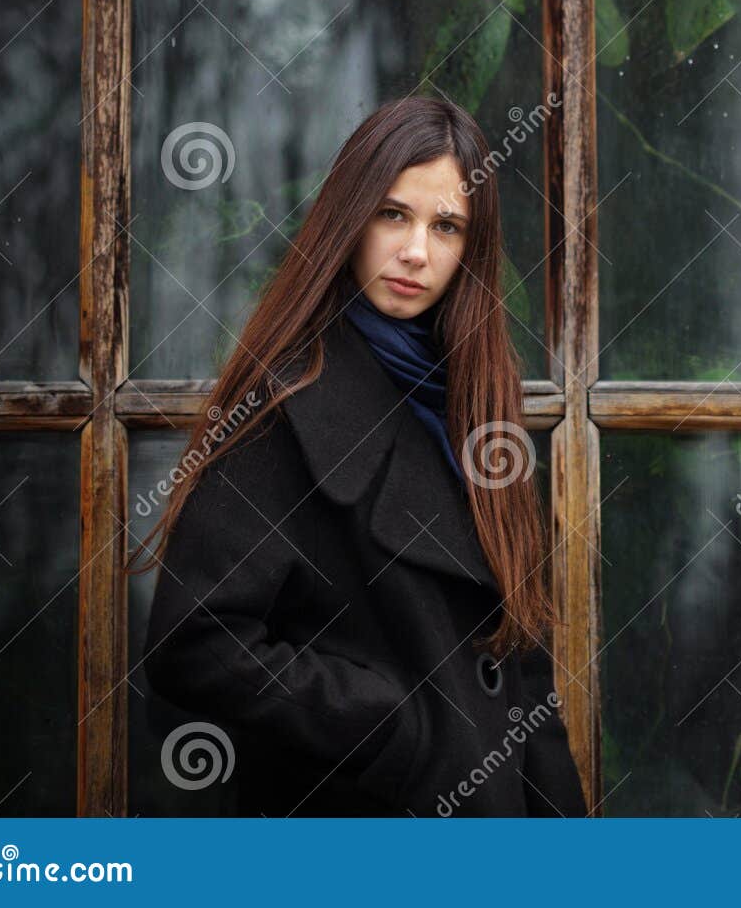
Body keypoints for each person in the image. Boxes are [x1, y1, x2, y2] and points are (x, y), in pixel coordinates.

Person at [128, 96, 586, 817]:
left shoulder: (475, 408)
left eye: (447, 226)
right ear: (351, 219)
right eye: (393, 214)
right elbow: (198, 644)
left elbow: (519, 667)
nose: (416, 252)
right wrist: (382, 730)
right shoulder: (285, 407)